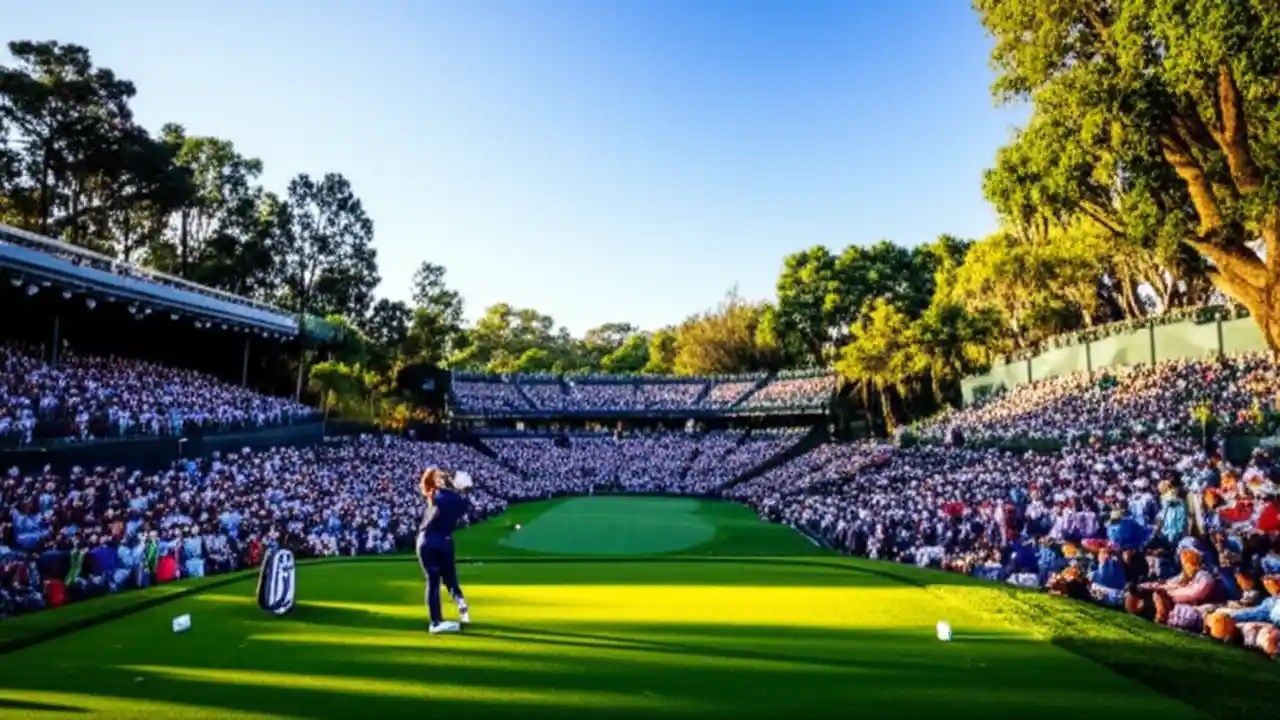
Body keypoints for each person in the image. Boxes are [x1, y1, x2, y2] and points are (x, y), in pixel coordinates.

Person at [416, 468, 471, 634]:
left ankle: (436, 620)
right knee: (447, 578)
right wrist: (463, 489)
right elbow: (463, 506)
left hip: (425, 541)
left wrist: (458, 488)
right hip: (441, 541)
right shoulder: (450, 497)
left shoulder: (435, 494)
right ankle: (450, 614)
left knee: (434, 581)